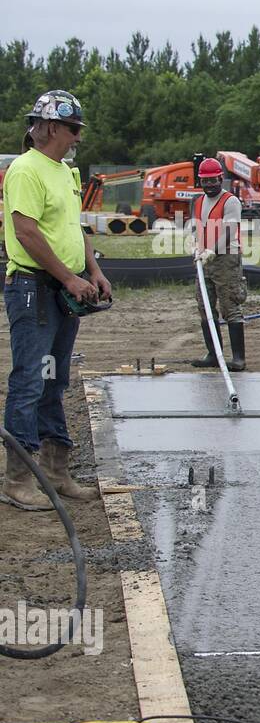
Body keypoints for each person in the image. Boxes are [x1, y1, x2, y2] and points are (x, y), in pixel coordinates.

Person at [2, 90, 111, 510]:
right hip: (32, 289)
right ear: (49, 127)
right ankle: (17, 480)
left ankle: (54, 470)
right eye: (73, 129)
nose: (78, 137)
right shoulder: (25, 170)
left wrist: (93, 272)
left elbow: (72, 225)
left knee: (53, 378)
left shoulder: (66, 172)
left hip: (62, 290)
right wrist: (67, 277)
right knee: (29, 380)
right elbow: (27, 232)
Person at [188, 157, 248, 371]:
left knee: (230, 306)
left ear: (221, 178)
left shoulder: (230, 201)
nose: (210, 185)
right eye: (205, 181)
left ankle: (238, 358)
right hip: (203, 260)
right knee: (205, 307)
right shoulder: (198, 201)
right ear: (200, 181)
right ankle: (213, 354)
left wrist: (213, 250)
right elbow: (197, 227)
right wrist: (196, 245)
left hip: (226, 259)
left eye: (213, 180)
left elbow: (230, 229)